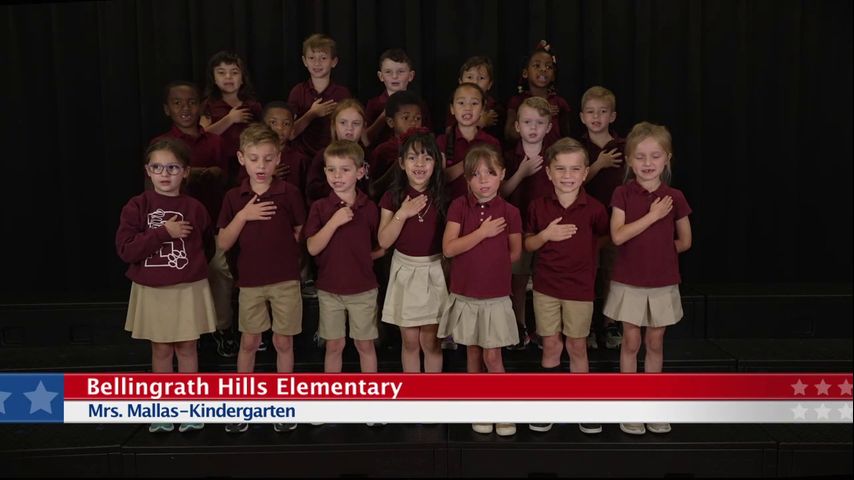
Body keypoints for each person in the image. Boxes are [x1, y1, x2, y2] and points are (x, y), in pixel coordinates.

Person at [116, 137, 215, 434]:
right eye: (157, 167)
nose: (165, 173)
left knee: (187, 347)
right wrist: (163, 232)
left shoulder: (195, 208)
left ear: (185, 171)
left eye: (173, 167)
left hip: (186, 288)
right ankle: (164, 409)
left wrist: (190, 270)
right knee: (160, 350)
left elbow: (206, 247)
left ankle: (190, 408)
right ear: (148, 170)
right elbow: (127, 250)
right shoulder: (137, 206)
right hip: (153, 289)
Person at [216, 123, 306, 434]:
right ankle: (242, 405)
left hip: (285, 280)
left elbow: (299, 232)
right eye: (254, 159)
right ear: (241, 158)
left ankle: (284, 404)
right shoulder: (233, 196)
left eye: (268, 159)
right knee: (250, 341)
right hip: (250, 283)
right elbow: (223, 243)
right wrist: (243, 215)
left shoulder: (289, 192)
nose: (261, 166)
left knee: (283, 341)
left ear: (278, 157)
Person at [605, 122, 692, 436]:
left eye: (655, 156)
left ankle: (653, 402)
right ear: (629, 160)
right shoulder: (622, 193)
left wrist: (659, 254)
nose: (647, 163)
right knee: (631, 341)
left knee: (655, 342)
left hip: (662, 283)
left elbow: (685, 241)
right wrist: (652, 217)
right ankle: (630, 404)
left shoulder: (675, 196)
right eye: (640, 156)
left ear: (667, 158)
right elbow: (617, 235)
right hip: (629, 283)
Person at [523, 138, 609, 434]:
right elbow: (528, 243)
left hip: (580, 289)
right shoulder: (538, 206)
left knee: (576, 345)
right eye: (560, 169)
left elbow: (603, 238)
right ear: (548, 172)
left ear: (585, 172)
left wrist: (584, 253)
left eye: (575, 169)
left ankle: (581, 406)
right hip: (546, 287)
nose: (567, 175)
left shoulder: (595, 209)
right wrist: (547, 234)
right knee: (551, 344)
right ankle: (548, 404)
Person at [439, 145, 521, 437]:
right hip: (466, 295)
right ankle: (479, 406)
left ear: (502, 175)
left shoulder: (510, 211)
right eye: (475, 175)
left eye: (490, 173)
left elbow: (514, 253)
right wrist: (482, 234)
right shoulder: (460, 207)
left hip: (495, 297)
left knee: (493, 356)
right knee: (472, 352)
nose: (483, 180)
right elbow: (449, 248)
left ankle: (501, 408)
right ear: (467, 180)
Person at [153, 80, 237, 358]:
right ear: (167, 109)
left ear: (202, 106)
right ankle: (189, 333)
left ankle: (223, 329)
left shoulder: (215, 141)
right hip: (175, 229)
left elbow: (226, 177)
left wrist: (209, 174)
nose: (185, 108)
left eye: (191, 102)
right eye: (177, 103)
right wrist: (198, 173)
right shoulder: (163, 144)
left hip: (211, 223)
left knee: (219, 273)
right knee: (182, 281)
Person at [304, 141, 385, 378]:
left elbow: (381, 247)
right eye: (331, 169)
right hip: (330, 290)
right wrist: (334, 221)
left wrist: (362, 259)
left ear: (360, 172)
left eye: (345, 169)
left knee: (365, 345)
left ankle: (371, 402)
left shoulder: (369, 208)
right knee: (334, 345)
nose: (337, 175)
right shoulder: (320, 207)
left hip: (363, 290)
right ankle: (332, 399)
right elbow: (312, 247)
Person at [377, 129, 448, 373]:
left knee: (430, 340)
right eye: (412, 158)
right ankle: (413, 398)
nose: (419, 164)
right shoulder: (392, 197)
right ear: (401, 162)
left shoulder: (443, 196)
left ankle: (431, 398)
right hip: (404, 271)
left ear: (436, 163)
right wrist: (403, 214)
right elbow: (384, 240)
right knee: (409, 341)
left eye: (427, 158)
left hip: (434, 270)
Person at [499, 96, 554, 350]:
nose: (533, 128)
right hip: (518, 229)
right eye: (528, 122)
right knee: (518, 280)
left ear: (549, 127)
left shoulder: (554, 157)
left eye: (539, 123)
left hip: (546, 229)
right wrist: (522, 172)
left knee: (545, 280)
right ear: (518, 126)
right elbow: (502, 193)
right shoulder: (509, 157)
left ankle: (545, 329)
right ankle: (519, 326)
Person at [579, 86, 627, 350]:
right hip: (584, 224)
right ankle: (585, 327)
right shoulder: (578, 146)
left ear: (613, 116)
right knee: (587, 274)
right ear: (582, 117)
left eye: (602, 112)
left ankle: (608, 323)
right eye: (590, 112)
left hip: (615, 222)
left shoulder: (623, 147)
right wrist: (597, 164)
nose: (596, 117)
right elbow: (573, 182)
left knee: (611, 273)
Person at [200, 51, 262, 182]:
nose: (228, 77)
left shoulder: (252, 106)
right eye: (221, 72)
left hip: (246, 164)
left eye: (234, 72)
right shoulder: (208, 105)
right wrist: (230, 119)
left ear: (242, 79)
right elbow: (203, 135)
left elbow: (262, 135)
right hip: (218, 163)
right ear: (214, 79)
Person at [288, 33, 352, 158]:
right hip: (302, 156)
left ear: (334, 62)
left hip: (334, 156)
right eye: (311, 58)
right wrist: (312, 114)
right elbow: (290, 133)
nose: (317, 63)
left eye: (323, 58)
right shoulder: (298, 92)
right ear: (304, 61)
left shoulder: (342, 93)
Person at [438, 83, 501, 200]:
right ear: (452, 108)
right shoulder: (442, 141)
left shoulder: (491, 142)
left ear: (482, 109)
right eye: (461, 103)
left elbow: (496, 179)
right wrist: (470, 162)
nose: (467, 108)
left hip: (483, 207)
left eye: (474, 103)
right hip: (449, 208)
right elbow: (439, 179)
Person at [504, 40, 571, 147]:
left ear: (553, 75)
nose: (543, 69)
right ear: (525, 73)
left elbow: (566, 137)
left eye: (548, 67)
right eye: (537, 65)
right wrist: (537, 113)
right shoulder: (517, 102)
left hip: (553, 158)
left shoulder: (559, 103)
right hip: (525, 158)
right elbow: (509, 135)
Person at [305, 99, 369, 205]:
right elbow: (312, 190)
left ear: (363, 126)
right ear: (334, 124)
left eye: (356, 123)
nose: (349, 128)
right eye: (343, 123)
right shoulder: (323, 155)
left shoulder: (368, 155)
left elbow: (372, 190)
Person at [364, 48, 431, 147]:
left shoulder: (419, 104)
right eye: (388, 72)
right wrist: (382, 118)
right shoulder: (374, 104)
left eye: (401, 71)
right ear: (381, 76)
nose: (394, 76)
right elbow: (366, 140)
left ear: (411, 76)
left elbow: (429, 135)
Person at [368, 91, 424, 198]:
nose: (413, 123)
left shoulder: (427, 147)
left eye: (417, 118)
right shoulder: (383, 150)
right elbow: (372, 190)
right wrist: (399, 165)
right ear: (390, 122)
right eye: (406, 118)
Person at [447, 56, 505, 143]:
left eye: (481, 78)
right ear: (460, 82)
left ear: (490, 84)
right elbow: (448, 132)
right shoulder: (456, 103)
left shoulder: (495, 107)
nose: (475, 82)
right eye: (470, 77)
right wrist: (480, 123)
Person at [262, 101, 308, 192]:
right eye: (273, 122)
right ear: (262, 125)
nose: (280, 128)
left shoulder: (300, 160)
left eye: (286, 124)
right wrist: (266, 177)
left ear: (292, 129)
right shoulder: (252, 156)